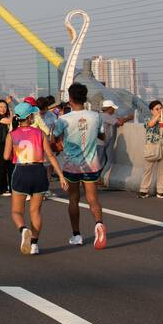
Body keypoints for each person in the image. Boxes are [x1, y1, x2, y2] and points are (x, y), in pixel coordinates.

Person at [51, 82, 108, 249]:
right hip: (91, 164)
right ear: (85, 98)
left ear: (70, 99)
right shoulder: (96, 116)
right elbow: (102, 136)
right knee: (93, 199)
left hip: (72, 166)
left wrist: (60, 143)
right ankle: (98, 224)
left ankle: (77, 235)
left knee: (74, 200)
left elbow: (53, 139)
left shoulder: (63, 119)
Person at [6, 101, 66, 255]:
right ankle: (34, 245)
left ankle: (23, 229)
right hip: (39, 171)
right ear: (30, 116)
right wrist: (60, 175)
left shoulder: (12, 135)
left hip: (21, 171)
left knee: (17, 211)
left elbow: (6, 156)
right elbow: (51, 155)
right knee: (35, 211)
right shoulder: (39, 133)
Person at [139, 99, 163, 199]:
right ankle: (144, 190)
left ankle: (161, 191)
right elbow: (150, 125)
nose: (159, 110)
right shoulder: (148, 119)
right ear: (151, 110)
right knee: (148, 169)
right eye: (157, 109)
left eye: (160, 108)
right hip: (152, 146)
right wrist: (158, 116)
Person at [97, 99, 132, 189]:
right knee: (101, 161)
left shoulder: (104, 115)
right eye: (113, 108)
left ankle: (98, 178)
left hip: (105, 142)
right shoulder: (106, 116)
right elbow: (119, 122)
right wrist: (129, 118)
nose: (114, 110)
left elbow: (117, 121)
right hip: (101, 142)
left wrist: (122, 118)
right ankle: (97, 179)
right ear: (108, 108)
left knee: (105, 160)